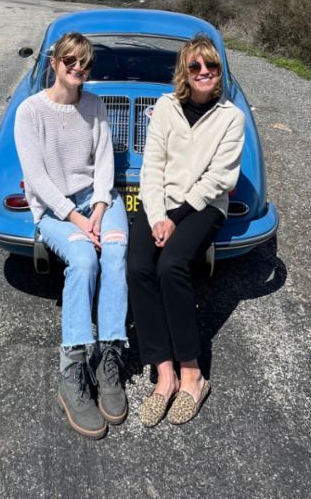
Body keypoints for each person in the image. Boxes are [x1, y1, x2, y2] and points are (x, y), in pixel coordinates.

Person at [14, 32, 129, 440]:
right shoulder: (30, 112)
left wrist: (98, 211)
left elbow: (104, 163)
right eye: (70, 61)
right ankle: (73, 368)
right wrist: (78, 222)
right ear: (54, 63)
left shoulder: (95, 105)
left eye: (85, 63)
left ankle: (109, 358)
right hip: (56, 210)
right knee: (83, 260)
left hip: (98, 202)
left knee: (115, 252)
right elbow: (38, 180)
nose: (78, 69)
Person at [127, 34, 245, 427]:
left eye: (210, 66)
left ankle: (193, 375)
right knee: (138, 266)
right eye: (195, 67)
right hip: (161, 202)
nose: (204, 72)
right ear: (185, 72)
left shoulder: (232, 117)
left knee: (171, 266)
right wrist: (157, 213)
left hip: (202, 206)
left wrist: (173, 220)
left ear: (219, 71)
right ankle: (164, 373)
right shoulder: (165, 107)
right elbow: (152, 165)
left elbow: (219, 179)